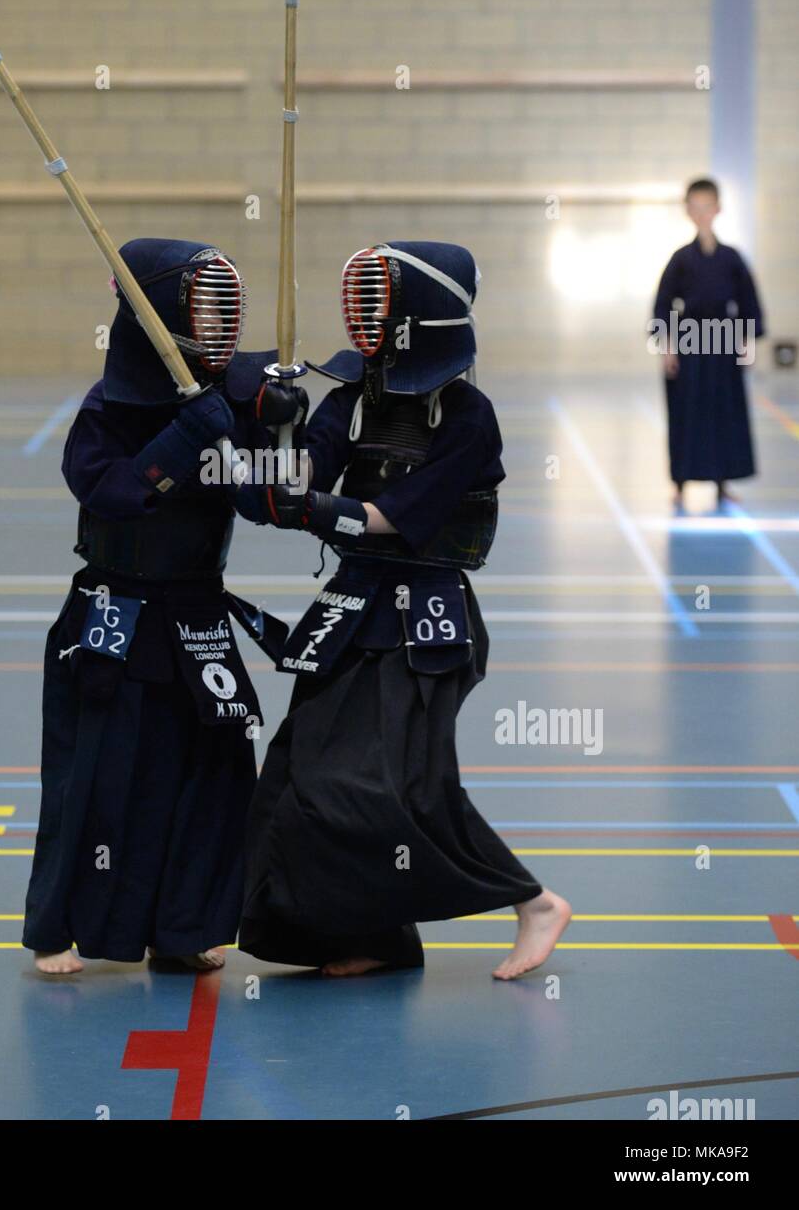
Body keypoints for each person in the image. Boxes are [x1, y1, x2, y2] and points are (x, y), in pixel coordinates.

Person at [236, 241, 571, 980]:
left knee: (405, 786)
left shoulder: (469, 418)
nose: (367, 317)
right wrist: (274, 437)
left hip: (425, 618)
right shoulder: (348, 399)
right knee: (305, 773)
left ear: (419, 315)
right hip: (352, 608)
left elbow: (397, 515)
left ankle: (533, 901)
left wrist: (319, 508)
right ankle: (372, 935)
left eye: (382, 301)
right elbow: (293, 482)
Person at [23, 237, 300, 976]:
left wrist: (280, 429)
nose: (218, 325)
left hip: (197, 613)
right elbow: (111, 493)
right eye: (201, 309)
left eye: (222, 309)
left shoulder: (233, 400)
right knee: (98, 774)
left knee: (212, 772)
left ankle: (182, 928)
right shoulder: (105, 409)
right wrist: (184, 438)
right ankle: (58, 927)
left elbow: (263, 502)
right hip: (116, 608)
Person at [652, 178, 765, 511]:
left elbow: (749, 302)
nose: (701, 213)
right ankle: (680, 483)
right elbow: (662, 305)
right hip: (689, 345)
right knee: (686, 412)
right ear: (688, 211)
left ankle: (722, 482)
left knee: (724, 413)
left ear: (717, 209)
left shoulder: (732, 258)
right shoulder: (680, 259)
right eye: (695, 207)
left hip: (724, 345)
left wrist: (747, 342)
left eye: (707, 206)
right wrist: (668, 347)